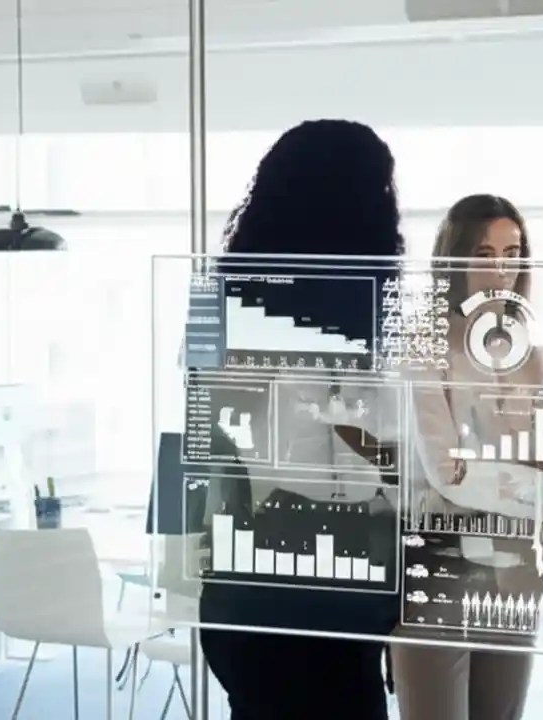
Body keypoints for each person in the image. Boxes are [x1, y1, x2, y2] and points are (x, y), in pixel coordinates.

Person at [197, 119, 405, 720]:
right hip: (294, 582)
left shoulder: (361, 323)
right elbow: (358, 470)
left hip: (288, 581)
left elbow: (380, 451)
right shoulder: (241, 315)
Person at [394, 193, 543, 720]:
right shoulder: (425, 343)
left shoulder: (537, 355)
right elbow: (446, 471)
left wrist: (510, 476)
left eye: (512, 253)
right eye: (484, 254)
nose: (500, 269)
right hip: (440, 566)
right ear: (455, 259)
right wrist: (525, 480)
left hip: (515, 571)